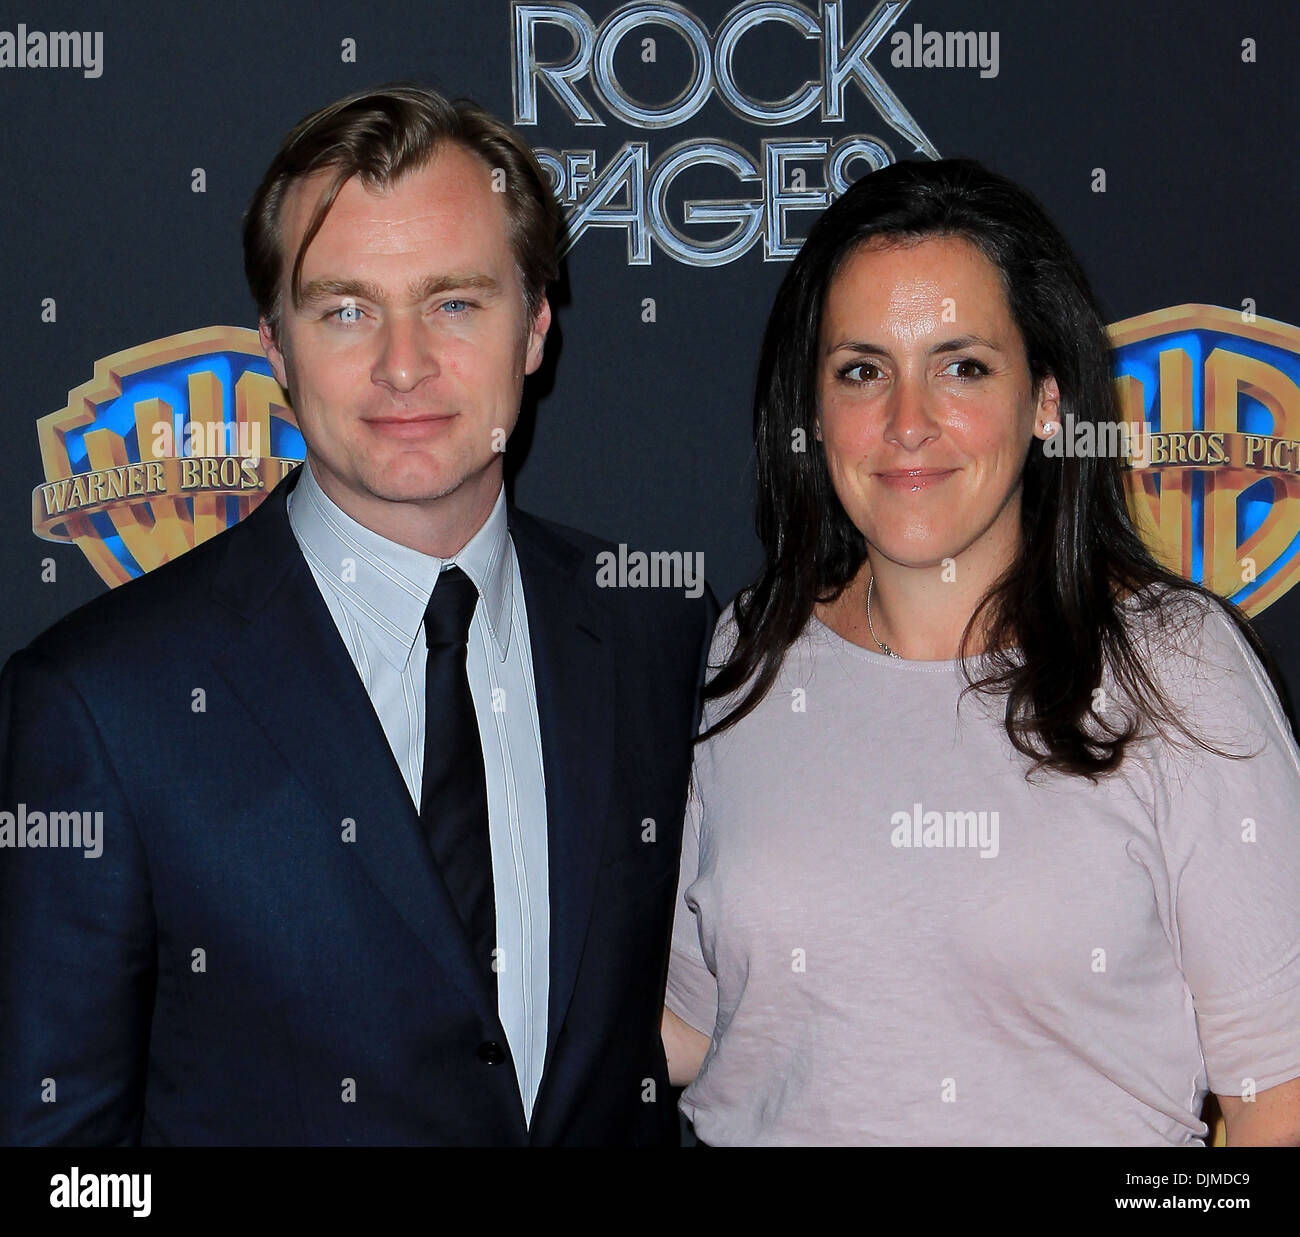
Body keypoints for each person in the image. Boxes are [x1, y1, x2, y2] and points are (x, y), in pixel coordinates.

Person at [0, 84, 714, 1146]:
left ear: (535, 326)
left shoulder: (660, 630)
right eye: (345, 309)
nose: (403, 364)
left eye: (455, 302)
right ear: (275, 346)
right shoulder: (105, 704)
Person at [660, 158, 1300, 1146]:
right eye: (862, 370)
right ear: (813, 411)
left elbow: (1278, 1100)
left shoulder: (1175, 668)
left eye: (961, 366)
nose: (907, 424)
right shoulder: (749, 653)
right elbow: (696, 1031)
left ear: (1045, 401)